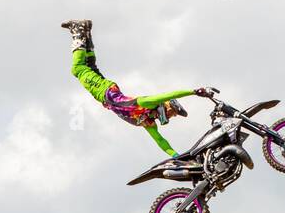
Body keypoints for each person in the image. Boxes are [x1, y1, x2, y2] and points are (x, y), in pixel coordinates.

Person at [61, 19, 213, 159]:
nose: (170, 116)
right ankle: (78, 30)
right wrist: (193, 91)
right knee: (78, 69)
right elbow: (169, 94)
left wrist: (178, 157)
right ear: (164, 105)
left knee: (90, 67)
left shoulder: (148, 121)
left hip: (105, 95)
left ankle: (86, 31)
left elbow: (161, 141)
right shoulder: (147, 104)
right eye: (170, 112)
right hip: (106, 91)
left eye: (172, 115)